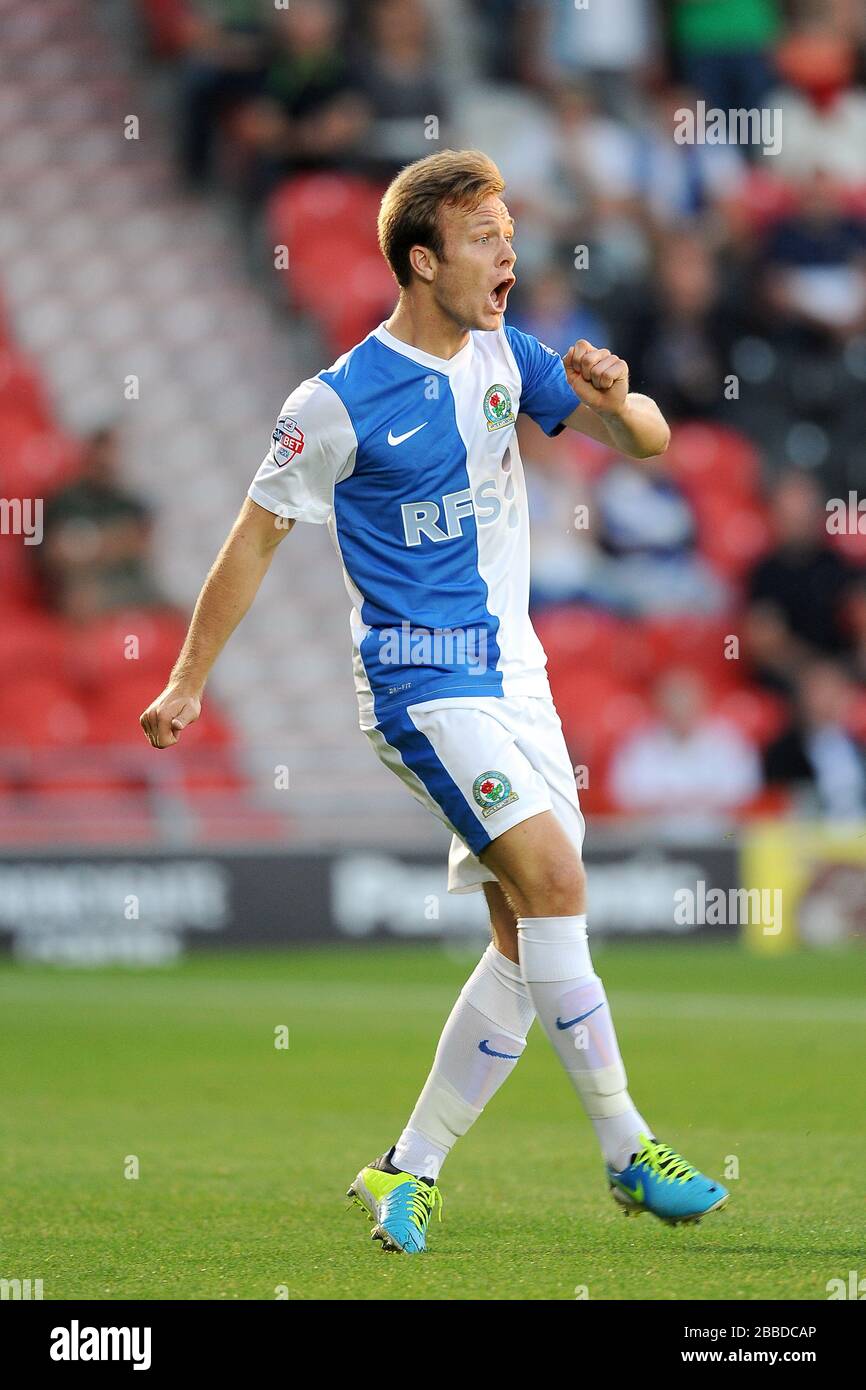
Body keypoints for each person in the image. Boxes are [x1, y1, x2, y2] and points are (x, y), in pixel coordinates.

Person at [140, 149, 729, 1254]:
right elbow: (254, 532)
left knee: (522, 931)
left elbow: (643, 441)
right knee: (555, 879)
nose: (508, 250)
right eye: (483, 236)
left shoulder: (510, 353)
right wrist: (186, 679)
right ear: (421, 260)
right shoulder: (334, 402)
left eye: (509, 231)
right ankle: (625, 1148)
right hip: (419, 682)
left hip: (517, 677)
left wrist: (616, 398)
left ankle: (403, 1169)